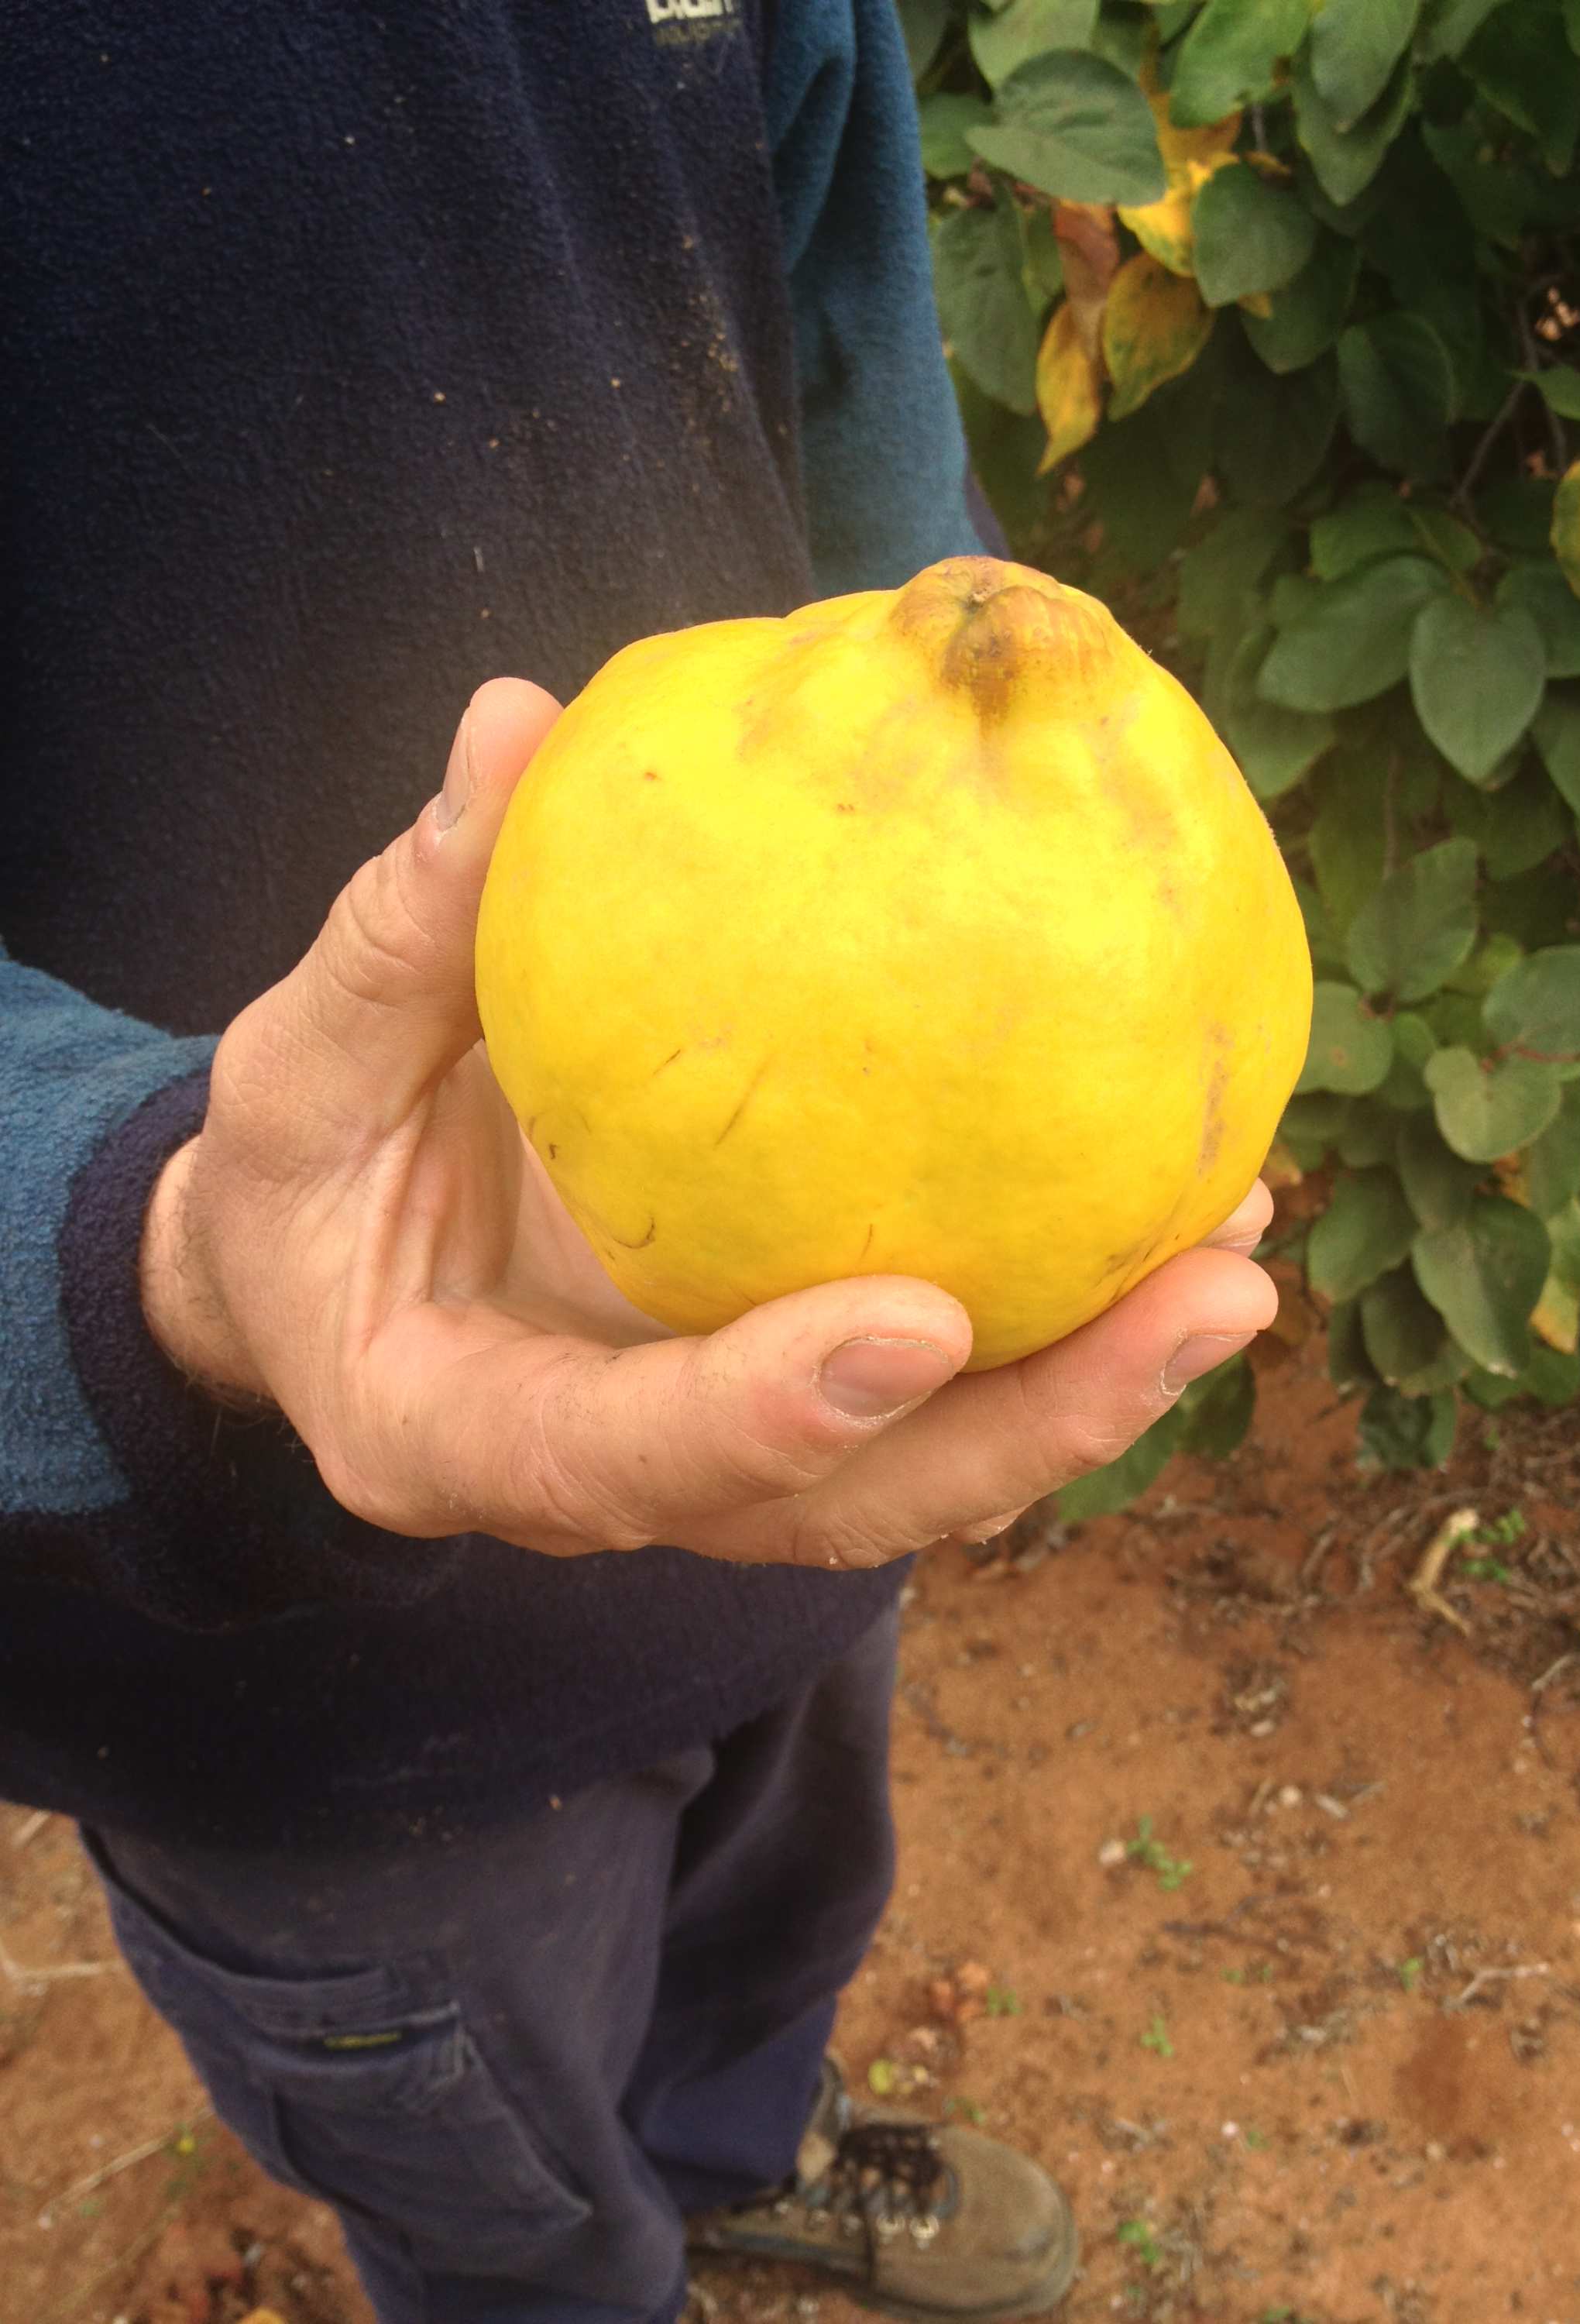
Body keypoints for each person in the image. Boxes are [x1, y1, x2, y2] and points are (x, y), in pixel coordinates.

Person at [0, 3, 1278, 2319]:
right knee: (491, 2154)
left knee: (768, 1913)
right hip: (269, 1649)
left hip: (821, 1427)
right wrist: (152, 1246)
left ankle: (734, 2146)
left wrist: (983, 727)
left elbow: (849, 369)